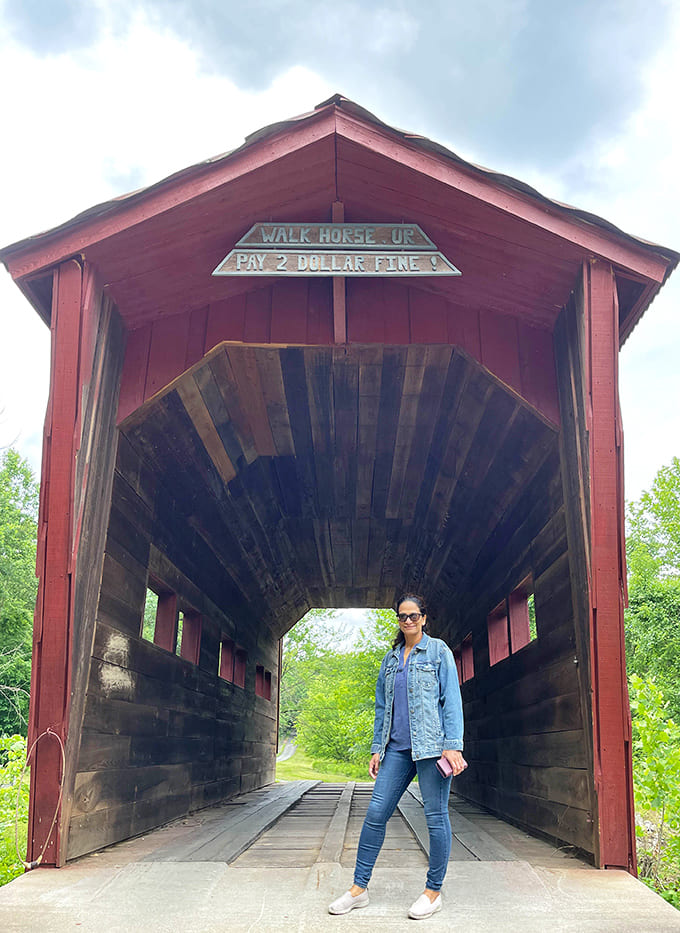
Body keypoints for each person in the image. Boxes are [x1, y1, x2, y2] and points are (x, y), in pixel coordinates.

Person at [328, 593, 466, 921]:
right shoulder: (390, 660)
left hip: (431, 749)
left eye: (413, 615)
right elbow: (382, 707)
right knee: (375, 813)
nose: (408, 621)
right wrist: (377, 747)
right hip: (397, 750)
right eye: (402, 616)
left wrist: (453, 744)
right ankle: (359, 889)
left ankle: (433, 892)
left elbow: (451, 700)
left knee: (435, 817)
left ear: (424, 618)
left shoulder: (438, 651)